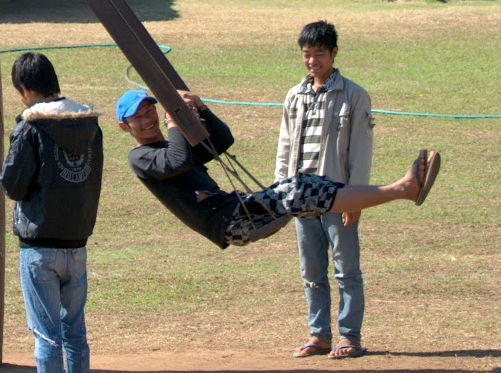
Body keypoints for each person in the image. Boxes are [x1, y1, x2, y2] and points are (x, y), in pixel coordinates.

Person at [116, 87, 440, 253]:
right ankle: (402, 189)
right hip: (232, 224)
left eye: (150, 113)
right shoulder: (141, 158)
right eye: (137, 118)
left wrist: (200, 109)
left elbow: (222, 140)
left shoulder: (176, 145)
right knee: (298, 189)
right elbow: (177, 161)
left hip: (240, 211)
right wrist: (176, 124)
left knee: (307, 185)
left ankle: (402, 189)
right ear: (124, 127)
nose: (146, 121)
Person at [0, 51, 103, 373]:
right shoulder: (90, 124)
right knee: (74, 332)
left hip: (39, 246)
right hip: (77, 243)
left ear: (25, 89)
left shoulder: (30, 127)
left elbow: (13, 184)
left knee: (46, 335)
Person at [276, 20, 374, 361]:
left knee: (346, 269)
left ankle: (350, 336)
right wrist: (281, 192)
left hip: (338, 196)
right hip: (301, 197)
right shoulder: (294, 96)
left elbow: (360, 149)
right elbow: (285, 147)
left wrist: (356, 196)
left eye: (319, 53)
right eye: (307, 54)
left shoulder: (354, 94)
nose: (312, 61)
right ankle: (318, 334)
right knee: (312, 271)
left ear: (334, 53)